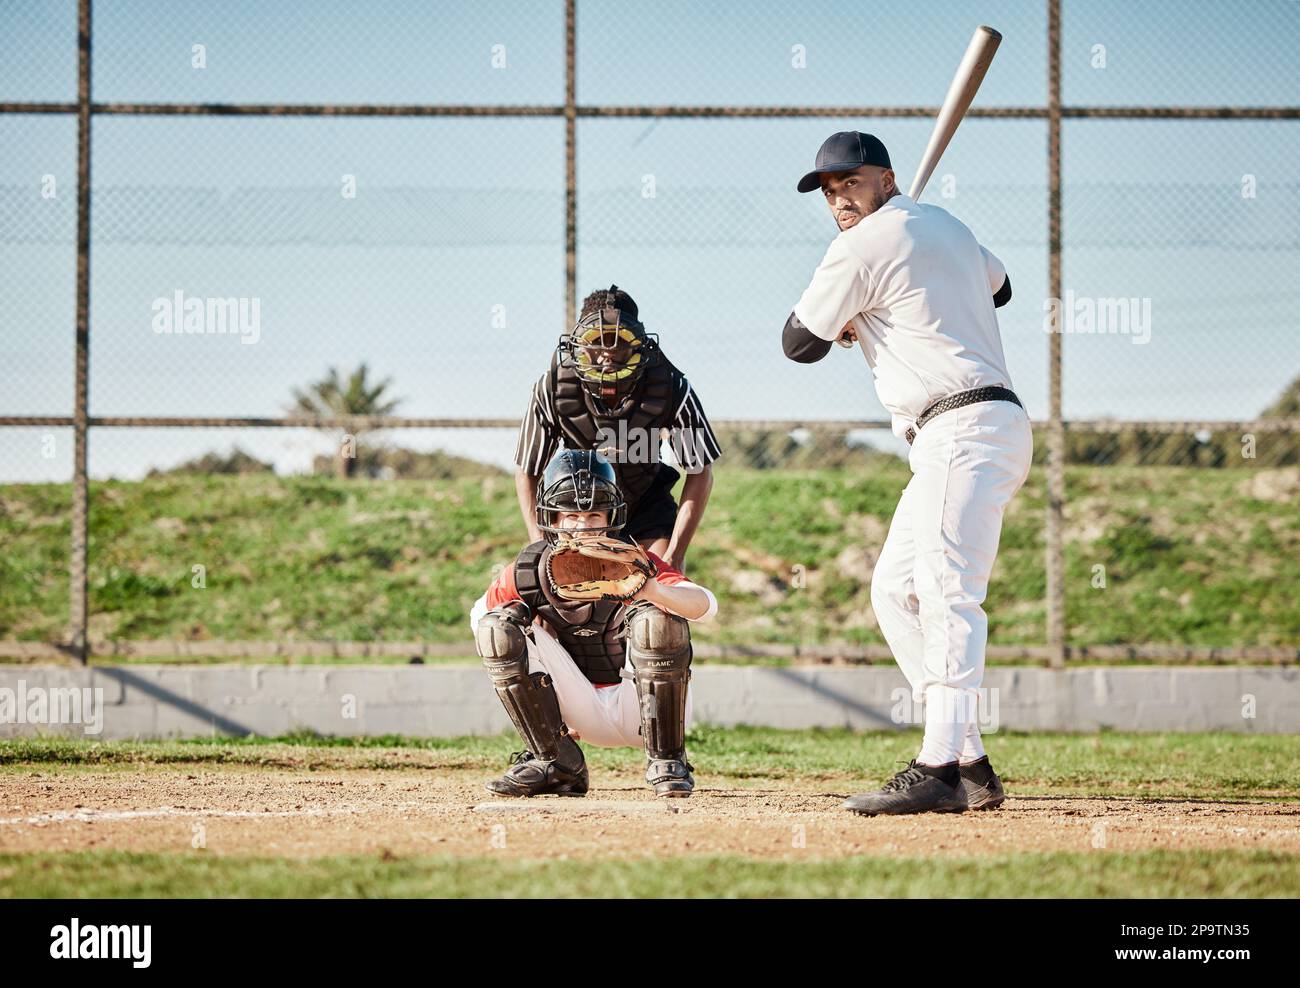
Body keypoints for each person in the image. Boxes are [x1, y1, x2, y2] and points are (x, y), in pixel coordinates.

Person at [783, 131, 1031, 816]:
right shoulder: (947, 226)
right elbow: (1001, 287)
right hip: (975, 431)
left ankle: (936, 767)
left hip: (961, 427)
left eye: (851, 182)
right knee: (895, 590)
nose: (839, 197)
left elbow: (797, 342)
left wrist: (855, 305)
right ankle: (970, 758)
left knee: (948, 593)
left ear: (886, 179)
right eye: (829, 189)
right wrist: (900, 271)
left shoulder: (863, 245)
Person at [470, 449, 719, 798]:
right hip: (579, 711)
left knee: (656, 619)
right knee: (499, 627)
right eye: (570, 515)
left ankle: (668, 759)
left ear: (612, 516)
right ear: (552, 520)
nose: (583, 526)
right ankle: (556, 762)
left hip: (646, 713)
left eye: (594, 514)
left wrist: (652, 589)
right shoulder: (530, 571)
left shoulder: (636, 562)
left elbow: (706, 606)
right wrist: (536, 630)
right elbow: (481, 620)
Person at [513, 285, 721, 571]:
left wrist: (674, 554)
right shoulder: (553, 387)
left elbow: (700, 471)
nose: (606, 356)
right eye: (597, 342)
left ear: (638, 344)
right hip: (581, 512)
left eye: (618, 342)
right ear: (579, 345)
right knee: (559, 602)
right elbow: (528, 470)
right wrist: (538, 541)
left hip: (646, 508)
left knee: (659, 597)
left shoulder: (669, 386)